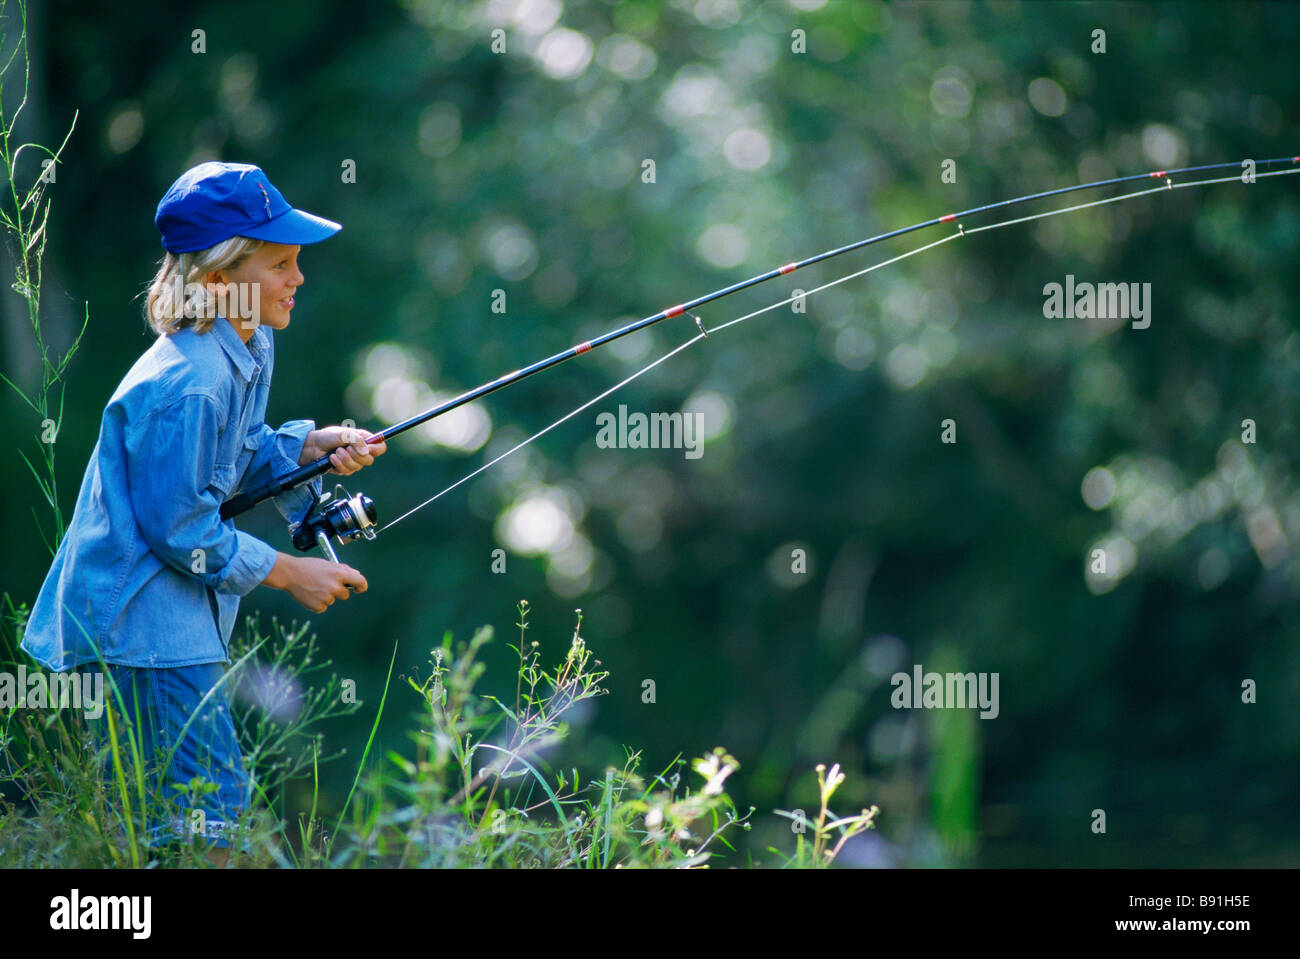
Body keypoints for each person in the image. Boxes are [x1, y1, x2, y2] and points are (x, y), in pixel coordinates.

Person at [19, 161, 386, 865]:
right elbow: (180, 527)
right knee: (202, 820)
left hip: (177, 622)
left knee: (186, 820)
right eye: (280, 263)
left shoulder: (249, 341)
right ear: (218, 280)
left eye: (297, 261)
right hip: (138, 625)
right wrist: (286, 572)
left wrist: (307, 447)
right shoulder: (186, 383)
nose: (297, 277)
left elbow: (233, 460)